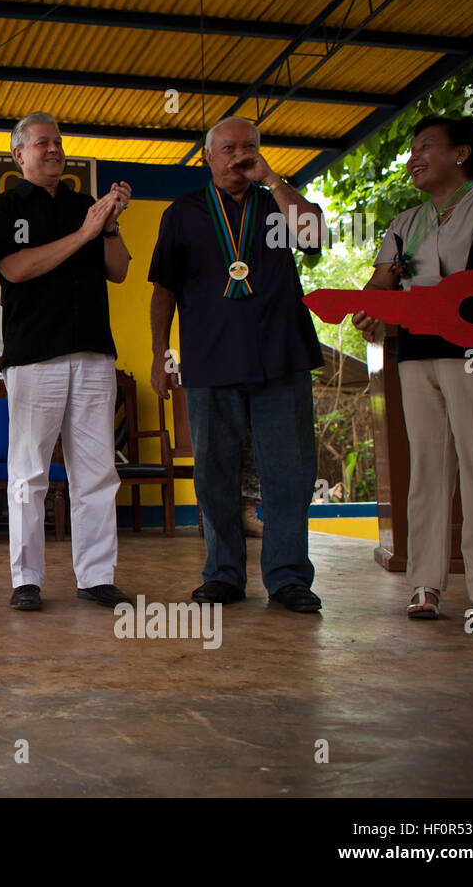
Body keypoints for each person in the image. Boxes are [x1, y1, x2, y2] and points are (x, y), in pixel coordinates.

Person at [351, 115, 473, 630]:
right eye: (411, 150)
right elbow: (379, 287)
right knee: (427, 469)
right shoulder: (405, 222)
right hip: (418, 355)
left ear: (462, 153)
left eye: (425, 146)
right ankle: (424, 584)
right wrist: (368, 311)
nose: (413, 159)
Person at [148, 116, 325, 613]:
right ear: (208, 156)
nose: (239, 155)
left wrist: (272, 179)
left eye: (249, 146)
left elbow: (313, 237)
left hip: (281, 357)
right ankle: (224, 573)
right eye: (228, 148)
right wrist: (161, 355)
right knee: (214, 472)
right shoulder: (182, 212)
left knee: (288, 473)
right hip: (210, 359)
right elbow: (163, 290)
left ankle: (289, 578)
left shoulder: (277, 203)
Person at [0, 112, 133, 612]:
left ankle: (95, 576)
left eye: (58, 142)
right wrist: (84, 234)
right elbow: (15, 269)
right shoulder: (5, 207)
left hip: (93, 352)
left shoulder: (83, 205)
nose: (53, 150)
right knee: (28, 474)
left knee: (96, 472)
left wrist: (107, 226)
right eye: (42, 143)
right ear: (18, 154)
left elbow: (118, 271)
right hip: (34, 358)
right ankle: (26, 579)